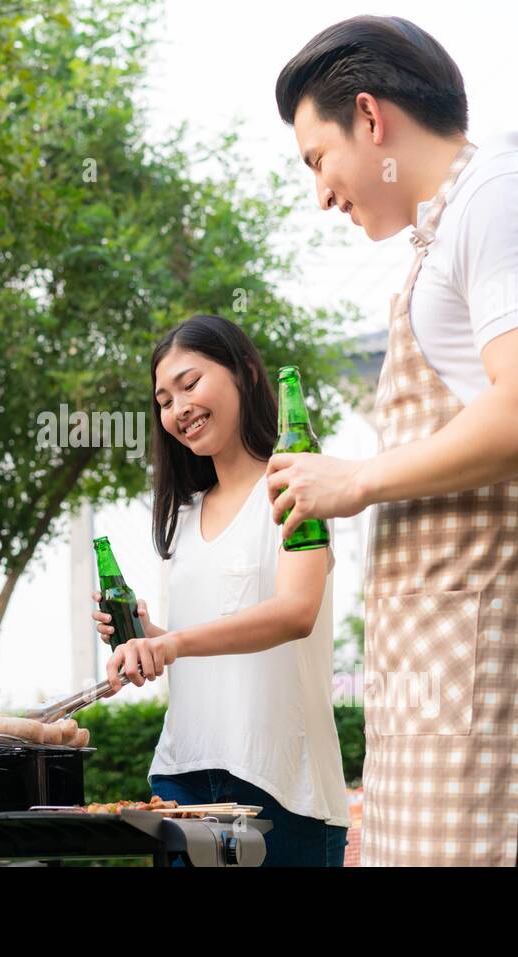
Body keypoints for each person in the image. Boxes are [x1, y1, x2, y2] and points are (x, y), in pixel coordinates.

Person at [269, 15, 518, 866]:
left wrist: (358, 481)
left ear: (370, 117)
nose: (321, 193)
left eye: (318, 159)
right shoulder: (453, 223)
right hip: (452, 646)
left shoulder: (506, 199)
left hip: (498, 641)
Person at [94, 314, 350, 867]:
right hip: (183, 777)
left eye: (190, 384)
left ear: (246, 374)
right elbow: (200, 643)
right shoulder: (184, 517)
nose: (178, 408)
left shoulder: (296, 486)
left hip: (279, 785)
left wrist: (174, 642)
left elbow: (295, 612)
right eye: (163, 400)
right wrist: (146, 639)